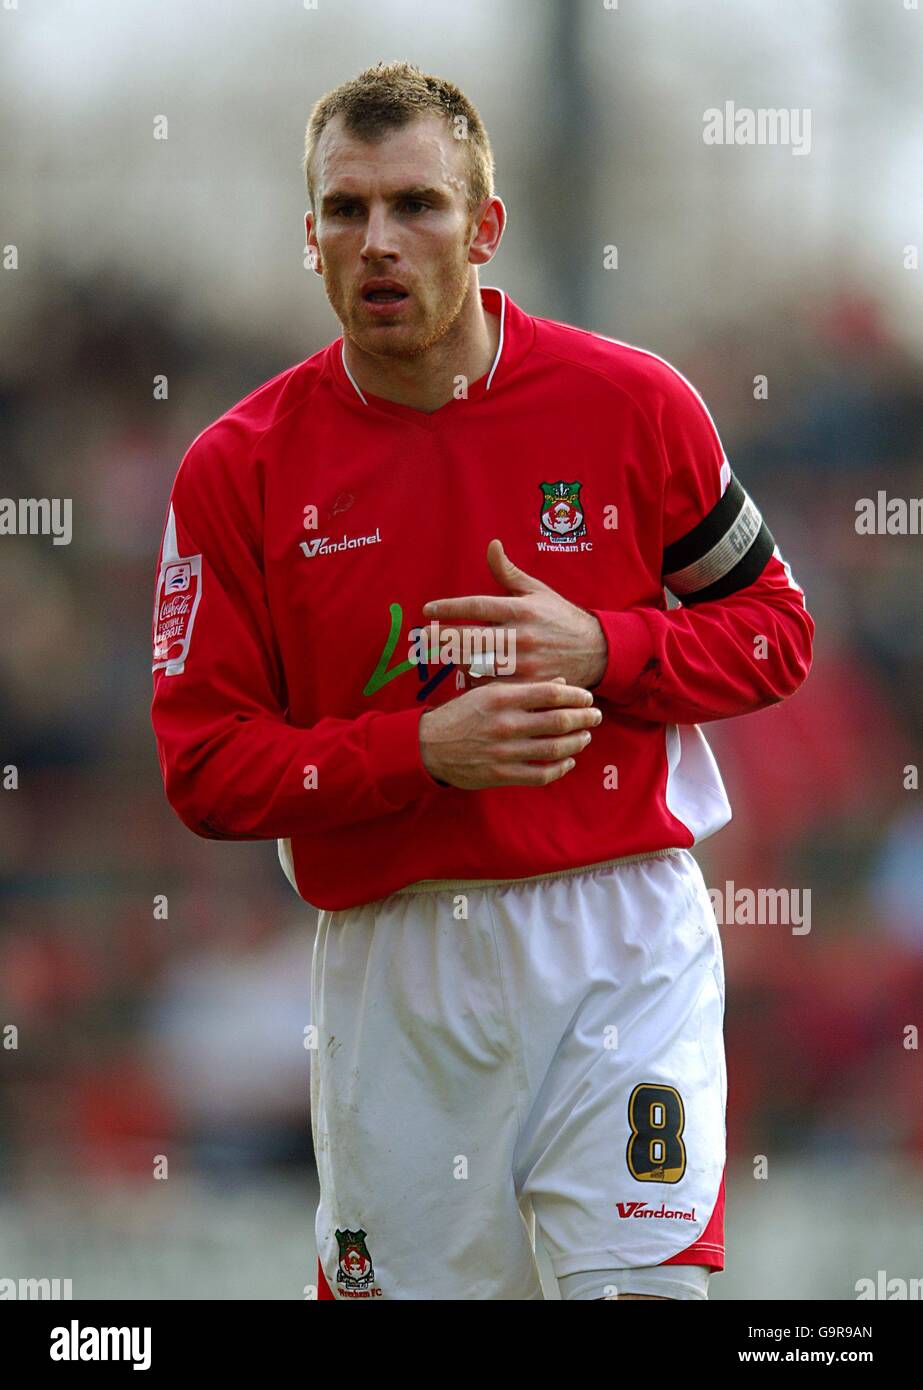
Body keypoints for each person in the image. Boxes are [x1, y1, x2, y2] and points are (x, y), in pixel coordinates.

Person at [150, 60, 814, 1301]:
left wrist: (609, 649)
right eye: (345, 212)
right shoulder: (235, 469)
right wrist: (419, 753)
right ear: (310, 239)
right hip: (393, 967)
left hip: (619, 938)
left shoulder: (633, 403)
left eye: (418, 205)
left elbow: (775, 632)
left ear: (486, 227)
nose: (379, 242)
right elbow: (204, 766)